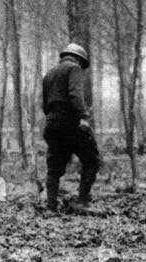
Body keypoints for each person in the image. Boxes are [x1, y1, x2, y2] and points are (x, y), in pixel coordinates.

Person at [41, 43, 101, 211]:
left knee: (54, 168)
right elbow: (75, 94)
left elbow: (45, 105)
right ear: (79, 60)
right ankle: (82, 201)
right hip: (70, 123)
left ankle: (51, 206)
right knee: (92, 160)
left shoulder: (48, 75)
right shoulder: (74, 69)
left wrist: (54, 118)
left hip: (51, 123)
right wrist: (83, 117)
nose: (82, 67)